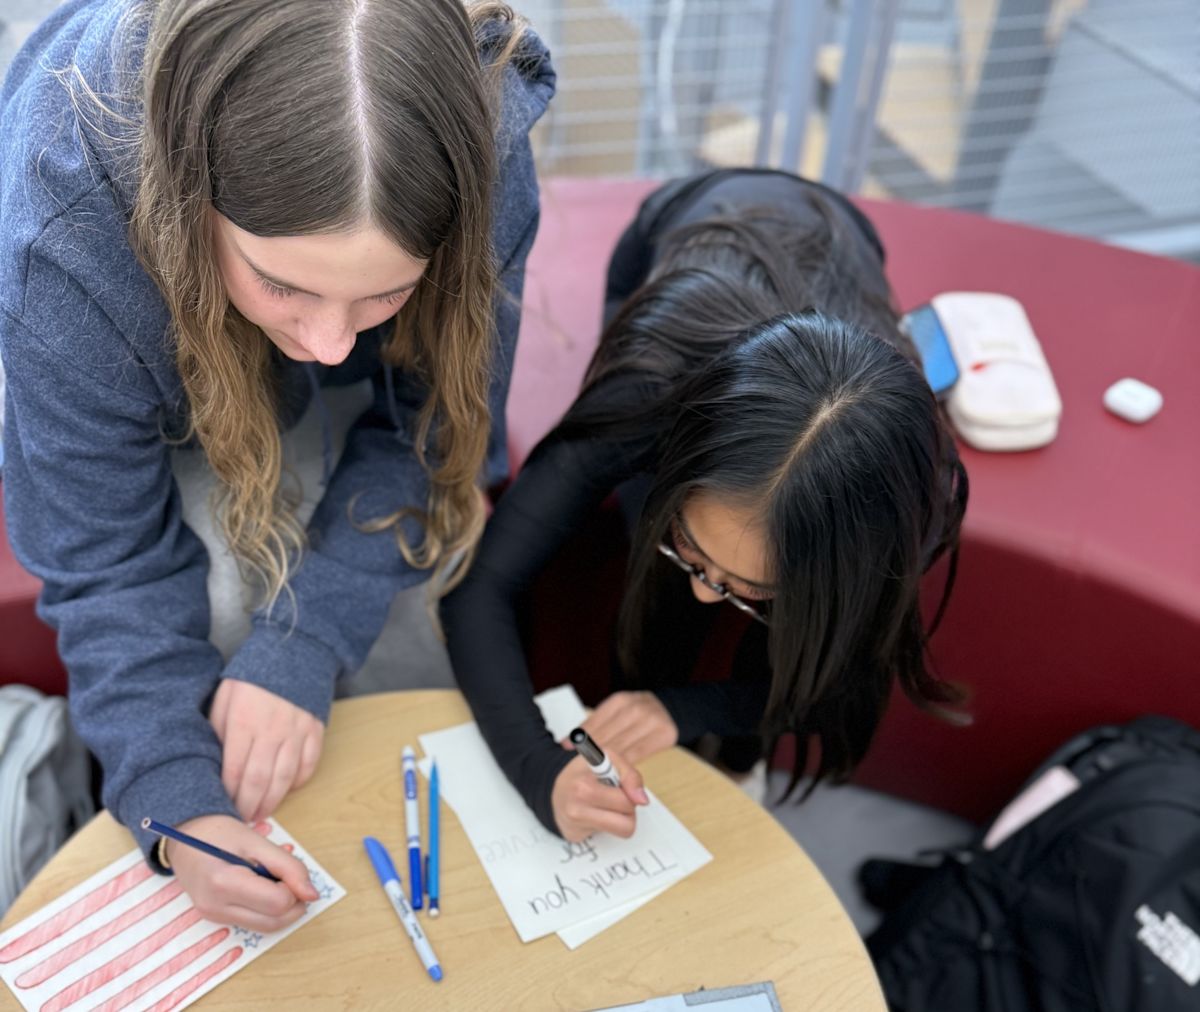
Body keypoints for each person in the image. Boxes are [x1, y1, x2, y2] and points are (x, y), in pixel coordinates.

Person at [0, 0, 553, 929]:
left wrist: (307, 641)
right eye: (286, 283)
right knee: (226, 595)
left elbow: (443, 425)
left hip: (221, 291)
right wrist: (176, 801)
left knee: (427, 590)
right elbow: (102, 556)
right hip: (143, 319)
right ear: (192, 197)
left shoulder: (485, 142)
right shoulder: (63, 247)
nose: (332, 348)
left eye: (386, 290)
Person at [443, 168, 968, 843]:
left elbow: (847, 675)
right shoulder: (646, 387)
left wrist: (684, 710)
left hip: (845, 240)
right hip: (682, 217)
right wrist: (539, 771)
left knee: (792, 619)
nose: (702, 592)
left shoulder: (910, 503)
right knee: (645, 536)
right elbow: (478, 588)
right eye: (689, 551)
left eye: (747, 589)